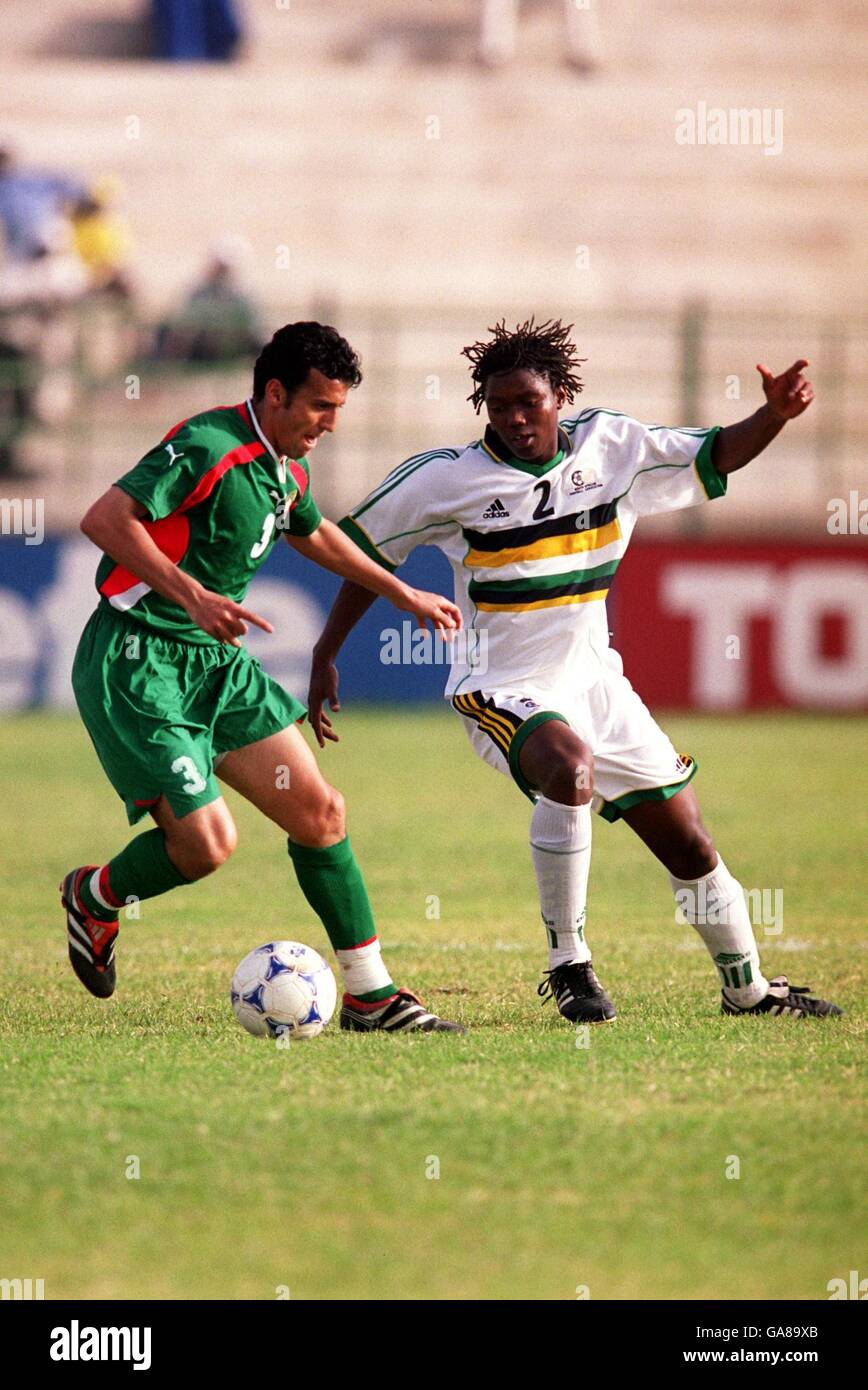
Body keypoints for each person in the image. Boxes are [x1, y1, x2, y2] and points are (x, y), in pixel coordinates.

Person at [308, 318, 842, 1024]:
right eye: (498, 407)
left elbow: (714, 454)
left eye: (529, 401)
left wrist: (771, 416)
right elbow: (361, 550)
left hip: (596, 683)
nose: (515, 419)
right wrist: (325, 651)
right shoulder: (446, 479)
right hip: (500, 686)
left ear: (561, 394)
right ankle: (570, 966)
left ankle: (748, 992)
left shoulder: (613, 448)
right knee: (570, 766)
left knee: (688, 838)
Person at [62, 321, 465, 1034]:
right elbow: (106, 518)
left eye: (338, 410)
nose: (330, 425)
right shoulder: (208, 447)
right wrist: (189, 593)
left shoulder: (288, 466)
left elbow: (313, 531)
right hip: (139, 660)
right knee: (208, 847)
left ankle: (371, 996)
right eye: (319, 407)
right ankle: (96, 896)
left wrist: (400, 592)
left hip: (216, 664)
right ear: (275, 393)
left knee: (320, 813)